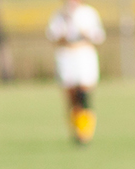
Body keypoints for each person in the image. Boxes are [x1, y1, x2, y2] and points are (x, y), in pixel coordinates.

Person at [47, 0, 106, 144]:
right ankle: (76, 131)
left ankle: (85, 133)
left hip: (83, 55)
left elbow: (99, 36)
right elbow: (52, 35)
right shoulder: (59, 15)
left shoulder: (88, 13)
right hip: (67, 55)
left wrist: (85, 33)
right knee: (71, 95)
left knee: (84, 93)